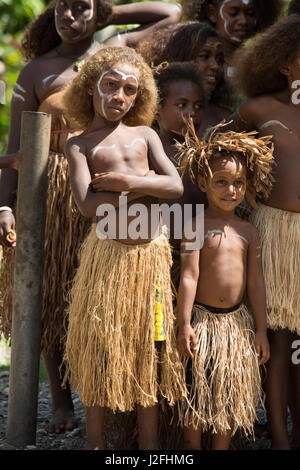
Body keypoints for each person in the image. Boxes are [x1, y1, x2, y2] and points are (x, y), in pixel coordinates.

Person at [0, 0, 182, 434]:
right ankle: (63, 403)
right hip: (52, 186)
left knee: (126, 318)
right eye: (63, 6)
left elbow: (171, 12)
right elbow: (19, 143)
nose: (71, 16)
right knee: (54, 292)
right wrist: (5, 205)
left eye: (83, 8)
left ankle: (126, 417)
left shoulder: (114, 48)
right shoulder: (36, 71)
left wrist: (103, 15)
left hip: (125, 216)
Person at [62, 46, 186, 450]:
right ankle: (95, 444)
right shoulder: (80, 144)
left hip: (149, 260)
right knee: (102, 347)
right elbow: (87, 205)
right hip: (108, 259)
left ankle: (149, 449)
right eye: (110, 85)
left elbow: (175, 187)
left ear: (140, 96)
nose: (119, 96)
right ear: (91, 88)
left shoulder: (146, 135)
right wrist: (142, 189)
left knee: (151, 350)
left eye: (129, 89)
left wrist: (129, 184)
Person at [175, 121, 274, 450]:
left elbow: (256, 283)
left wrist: (260, 330)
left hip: (235, 324)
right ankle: (191, 449)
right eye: (222, 182)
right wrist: (184, 323)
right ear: (203, 183)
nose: (231, 190)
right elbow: (188, 276)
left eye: (238, 183)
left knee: (227, 396)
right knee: (196, 393)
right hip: (202, 323)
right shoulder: (195, 226)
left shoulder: (248, 231)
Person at [227, 14, 300, 450]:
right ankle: (278, 437)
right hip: (275, 232)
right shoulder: (259, 110)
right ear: (284, 64)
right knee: (277, 338)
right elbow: (221, 154)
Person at [153, 61, 207, 293]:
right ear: (157, 110)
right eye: (181, 105)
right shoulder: (147, 149)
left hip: (197, 260)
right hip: (158, 257)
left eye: (197, 106)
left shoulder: (206, 154)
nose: (191, 113)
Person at [137, 21, 231, 134]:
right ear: (181, 57)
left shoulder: (226, 120)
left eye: (219, 59)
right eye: (205, 56)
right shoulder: (143, 119)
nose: (215, 66)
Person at [186, 0, 284, 80]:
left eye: (250, 14)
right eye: (233, 13)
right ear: (212, 13)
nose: (243, 21)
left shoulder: (263, 63)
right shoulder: (194, 58)